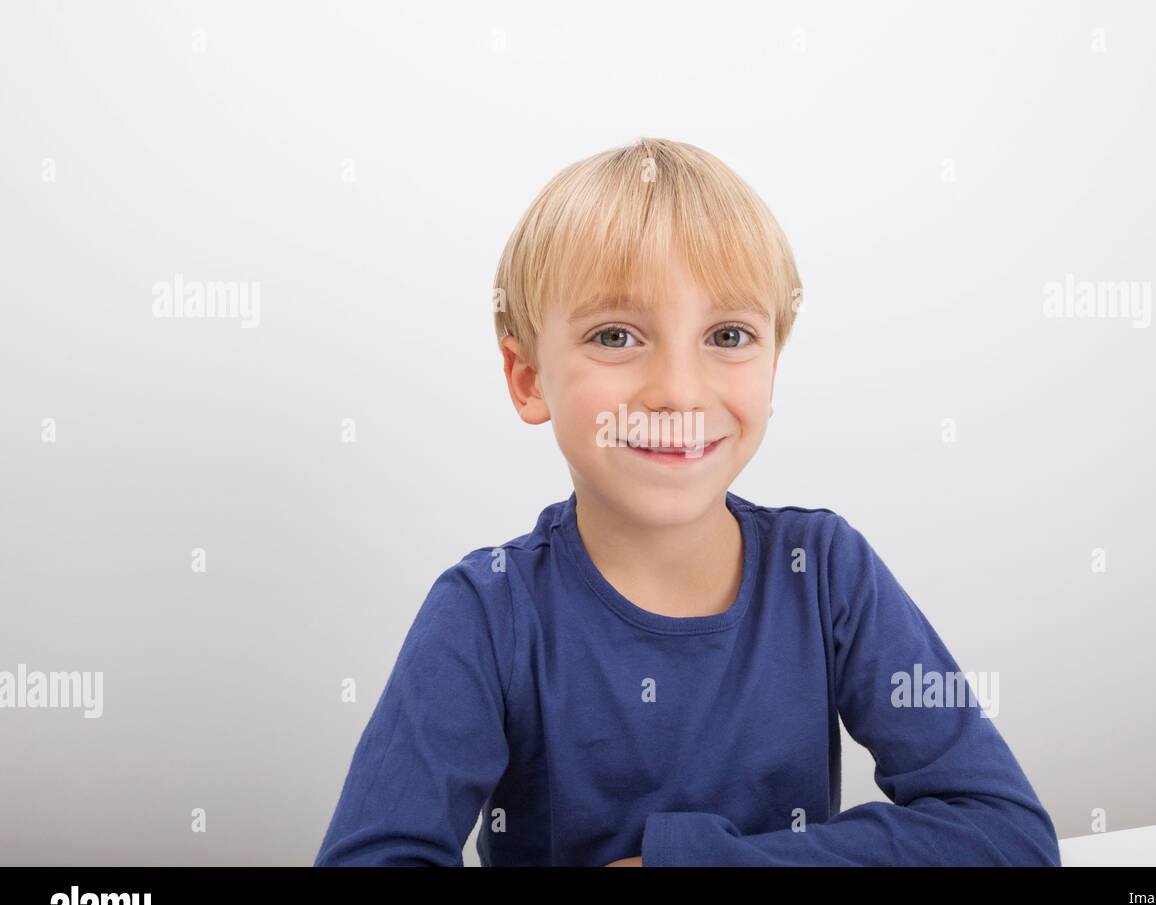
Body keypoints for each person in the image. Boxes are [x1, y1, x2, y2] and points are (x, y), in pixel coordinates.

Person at [314, 137, 1060, 866]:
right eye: (615, 335)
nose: (677, 389)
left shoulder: (827, 571)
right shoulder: (486, 612)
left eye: (728, 334)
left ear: (773, 365)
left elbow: (1006, 836)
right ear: (529, 378)